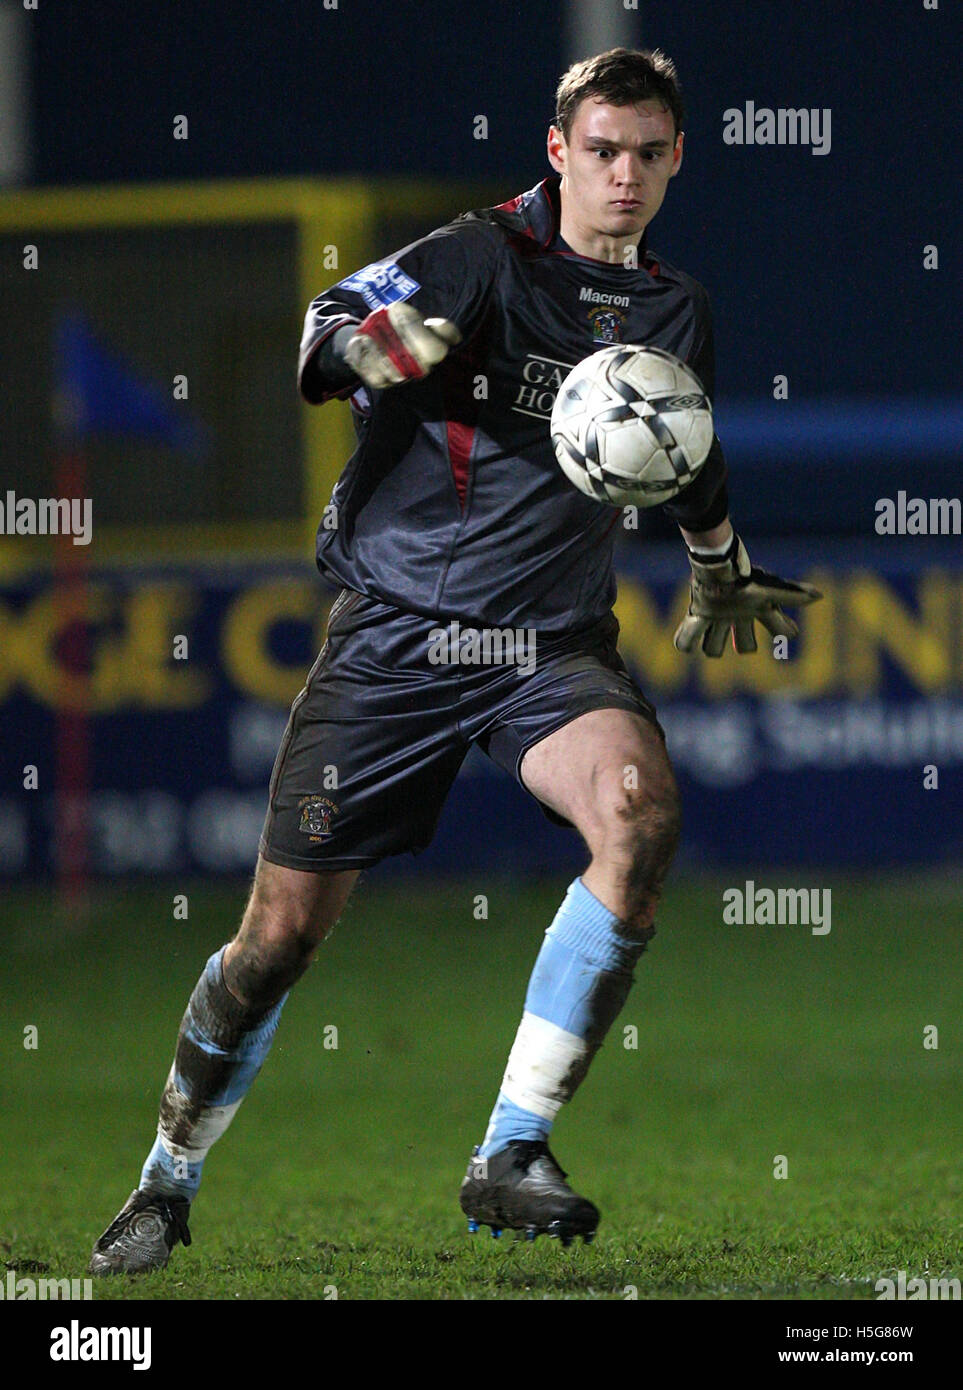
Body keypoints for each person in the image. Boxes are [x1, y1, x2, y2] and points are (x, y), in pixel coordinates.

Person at [89, 46, 818, 1272]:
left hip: (549, 646)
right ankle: (166, 1178)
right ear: (558, 151)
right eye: (602, 152)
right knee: (276, 941)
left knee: (637, 817)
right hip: (396, 639)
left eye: (648, 153)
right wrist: (365, 355)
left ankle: (510, 1150)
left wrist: (719, 562)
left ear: (678, 156)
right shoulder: (478, 256)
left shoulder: (674, 309)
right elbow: (326, 324)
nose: (624, 175)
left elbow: (681, 446)